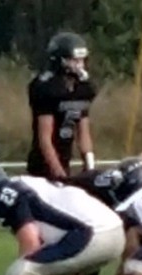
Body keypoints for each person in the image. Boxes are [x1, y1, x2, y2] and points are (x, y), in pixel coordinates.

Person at [26, 32, 96, 179]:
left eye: (81, 60)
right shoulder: (46, 88)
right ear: (60, 60)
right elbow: (45, 139)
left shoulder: (83, 88)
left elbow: (83, 134)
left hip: (65, 158)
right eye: (74, 60)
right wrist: (60, 175)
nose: (80, 65)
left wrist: (90, 168)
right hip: (43, 166)